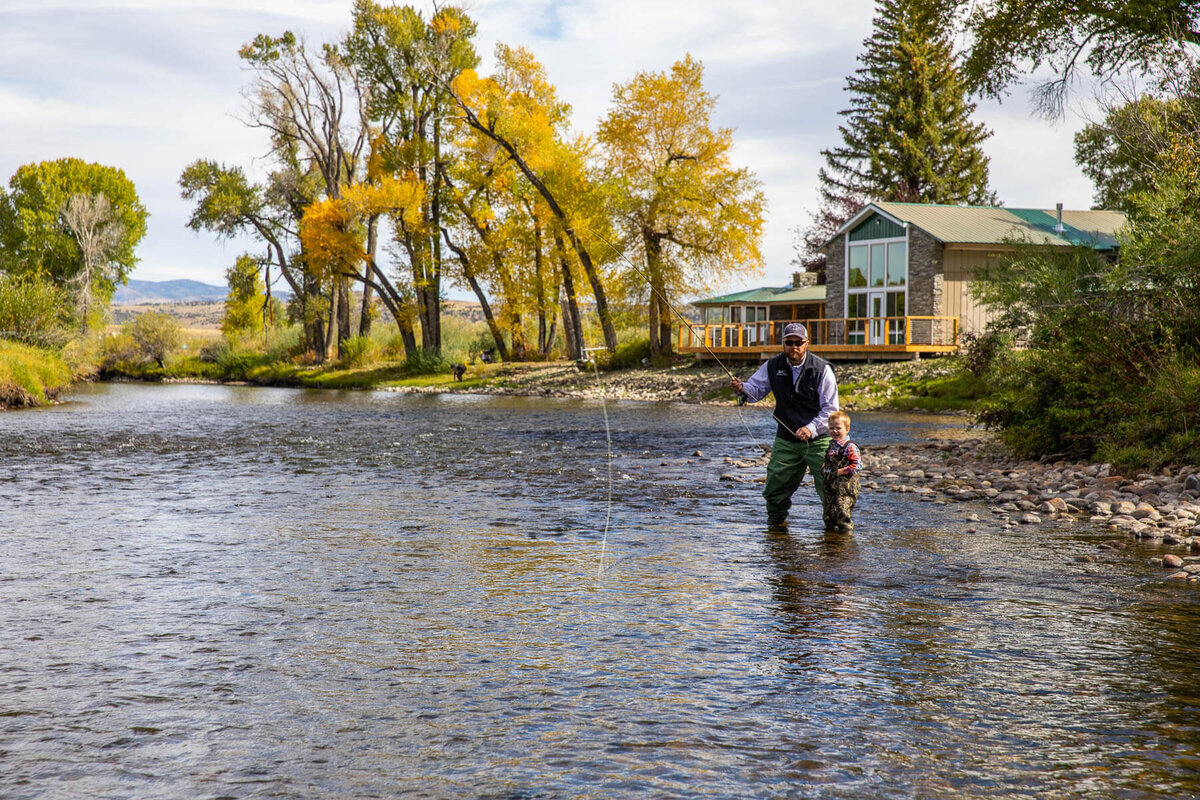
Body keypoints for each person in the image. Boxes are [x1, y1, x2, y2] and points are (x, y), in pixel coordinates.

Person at [730, 322, 839, 529]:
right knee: (774, 490)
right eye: (790, 342)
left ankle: (837, 532)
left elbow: (831, 410)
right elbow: (756, 391)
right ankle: (776, 529)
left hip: (819, 439)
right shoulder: (772, 366)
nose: (794, 347)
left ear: (807, 343)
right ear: (783, 344)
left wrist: (810, 429)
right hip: (786, 438)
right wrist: (742, 388)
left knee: (831, 488)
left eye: (799, 342)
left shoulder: (822, 369)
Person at [821, 411, 861, 533]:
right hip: (830, 486)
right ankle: (830, 539)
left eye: (838, 428)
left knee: (843, 514)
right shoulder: (831, 446)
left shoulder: (850, 447)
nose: (834, 431)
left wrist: (840, 471)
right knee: (829, 514)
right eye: (831, 428)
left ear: (847, 429)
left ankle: (846, 540)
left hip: (846, 488)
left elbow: (857, 465)